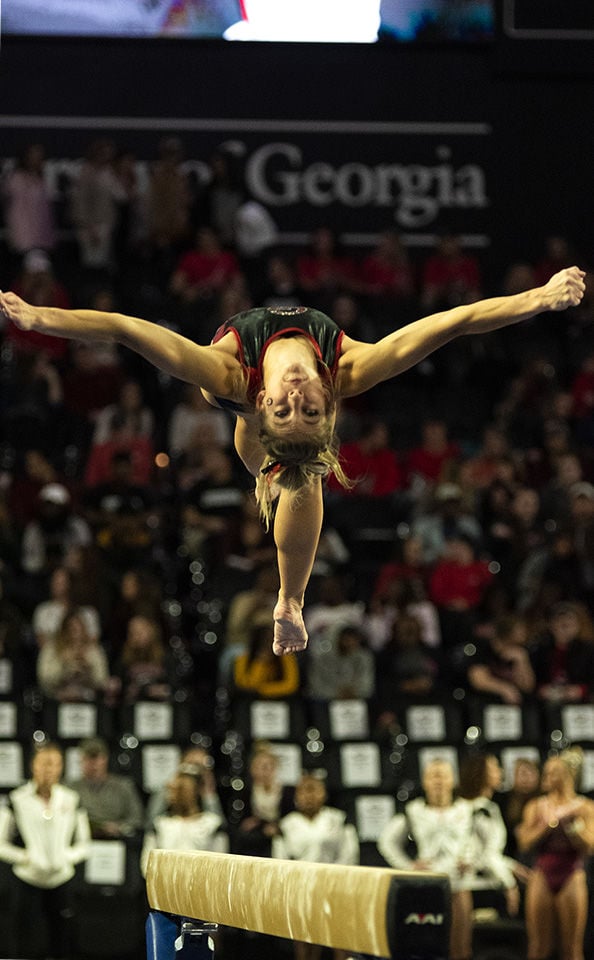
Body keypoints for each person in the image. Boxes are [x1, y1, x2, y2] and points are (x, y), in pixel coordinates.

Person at [0, 265, 586, 657]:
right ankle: (291, 583)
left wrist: (40, 319)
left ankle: (288, 597)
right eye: (312, 411)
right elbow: (453, 323)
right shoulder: (347, 369)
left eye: (289, 410)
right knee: (304, 477)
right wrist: (537, 297)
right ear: (330, 403)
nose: (300, 398)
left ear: (264, 403)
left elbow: (128, 331)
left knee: (295, 477)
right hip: (261, 435)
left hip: (239, 417)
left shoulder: (231, 375)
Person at [0, 741, 91, 960]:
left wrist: (66, 858)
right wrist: (24, 857)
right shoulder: (17, 799)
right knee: (26, 940)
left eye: (54, 764)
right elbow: (0, 842)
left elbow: (84, 844)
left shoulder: (71, 798)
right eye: (43, 764)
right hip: (27, 878)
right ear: (33, 765)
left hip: (62, 878)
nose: (48, 770)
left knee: (62, 939)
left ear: (61, 768)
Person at [516, 748, 594, 960]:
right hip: (542, 872)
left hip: (572, 873)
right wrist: (549, 825)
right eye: (547, 772)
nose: (548, 777)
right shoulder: (537, 805)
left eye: (554, 772)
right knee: (539, 948)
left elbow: (590, 845)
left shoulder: (585, 806)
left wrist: (573, 828)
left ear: (568, 775)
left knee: (571, 949)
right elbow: (524, 843)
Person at [68, 737, 144, 840]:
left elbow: (137, 818)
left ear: (105, 759)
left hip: (117, 841)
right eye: (88, 758)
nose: (93, 763)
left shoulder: (123, 786)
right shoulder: (71, 788)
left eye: (96, 757)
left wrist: (120, 827)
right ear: (81, 760)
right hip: (83, 840)